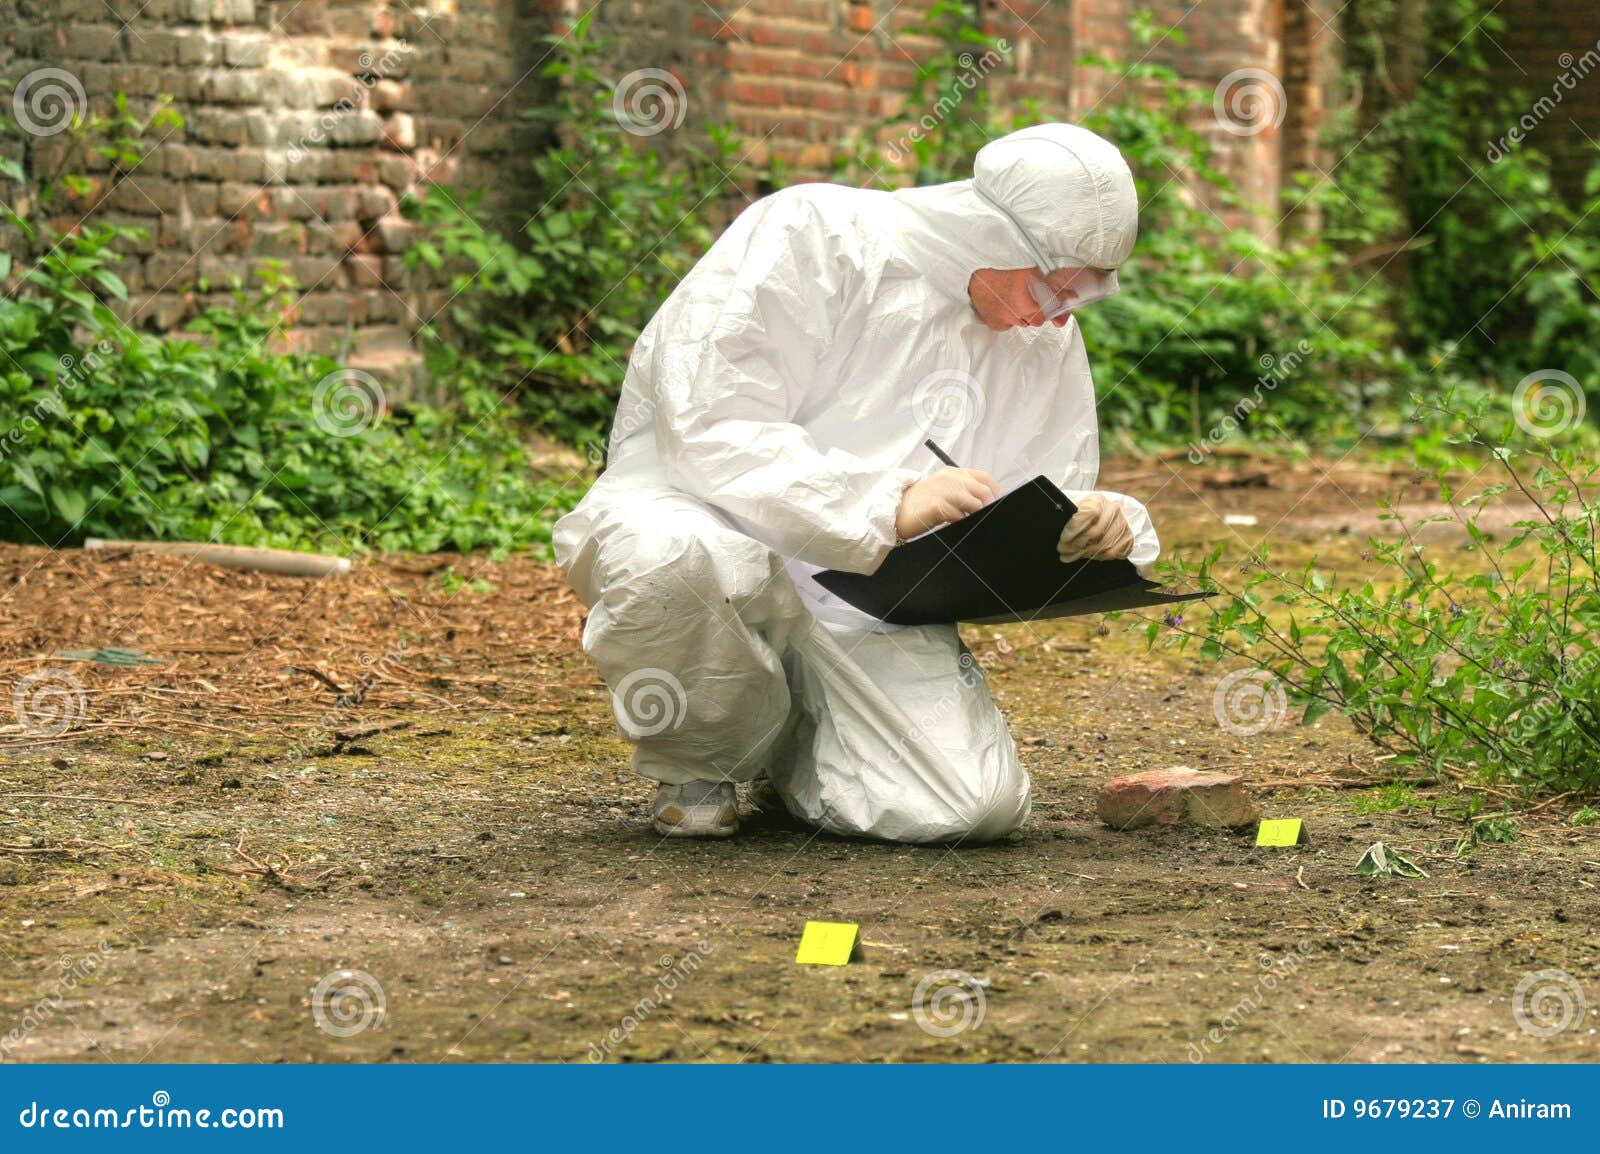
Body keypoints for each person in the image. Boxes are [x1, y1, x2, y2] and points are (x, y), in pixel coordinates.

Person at [554, 123, 1161, 844]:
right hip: (707, 522)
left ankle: (793, 736)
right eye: (1049, 285)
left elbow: (1037, 491)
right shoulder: (814, 235)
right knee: (674, 563)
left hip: (872, 595)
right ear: (985, 234)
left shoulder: (1039, 331)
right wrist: (884, 502)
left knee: (971, 810)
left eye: (1081, 294)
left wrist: (1097, 523)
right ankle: (704, 760)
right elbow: (710, 424)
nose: (1059, 312)